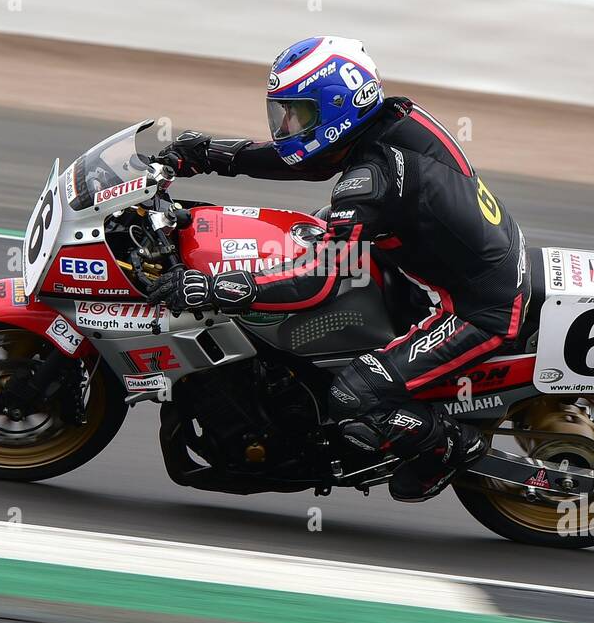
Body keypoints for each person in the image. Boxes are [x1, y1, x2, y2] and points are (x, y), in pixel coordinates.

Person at [149, 36, 530, 502]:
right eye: (283, 113)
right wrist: (213, 154)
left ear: (336, 108)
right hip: (458, 261)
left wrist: (219, 287)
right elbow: (308, 160)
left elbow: (314, 282)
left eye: (298, 114)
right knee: (314, 234)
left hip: (478, 307)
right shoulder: (393, 119)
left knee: (353, 396)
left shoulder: (368, 183)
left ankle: (446, 447)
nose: (287, 126)